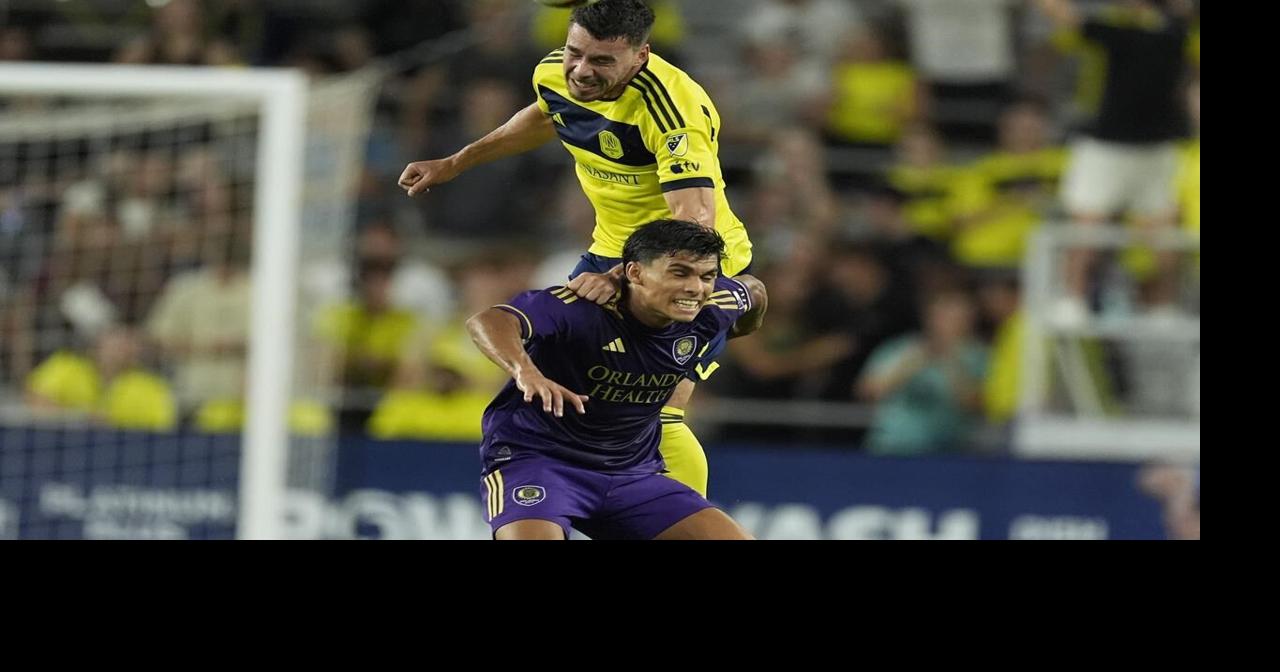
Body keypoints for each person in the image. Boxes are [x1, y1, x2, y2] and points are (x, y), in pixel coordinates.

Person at [399, 0, 752, 498]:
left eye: (602, 61)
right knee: (560, 373)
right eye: (575, 53)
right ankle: (567, 495)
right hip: (612, 252)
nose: (582, 70)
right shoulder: (555, 72)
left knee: (661, 402)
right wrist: (457, 161)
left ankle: (682, 520)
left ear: (640, 57)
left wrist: (625, 280)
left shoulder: (672, 110)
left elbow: (694, 221)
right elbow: (545, 116)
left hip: (685, 266)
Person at [465, 220, 766, 540]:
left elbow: (754, 290)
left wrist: (739, 328)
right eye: (679, 273)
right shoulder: (584, 308)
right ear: (634, 273)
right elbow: (489, 321)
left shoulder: (711, 308)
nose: (695, 288)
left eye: (707, 276)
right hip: (538, 462)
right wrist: (525, 371)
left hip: (630, 474)